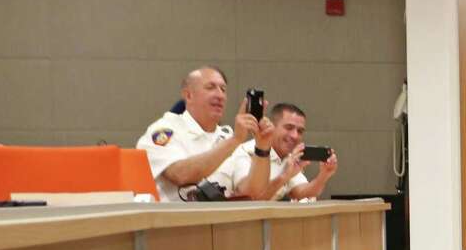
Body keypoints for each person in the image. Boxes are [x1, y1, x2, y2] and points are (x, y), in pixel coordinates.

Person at [136, 66, 263, 202]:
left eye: (223, 89)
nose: (220, 95)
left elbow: (250, 192)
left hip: (223, 215)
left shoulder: (227, 136)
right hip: (177, 215)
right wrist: (235, 140)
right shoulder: (165, 130)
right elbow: (180, 175)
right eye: (210, 87)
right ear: (188, 95)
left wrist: (263, 148)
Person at [209, 103, 338, 201]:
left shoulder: (288, 158)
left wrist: (324, 175)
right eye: (289, 128)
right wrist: (284, 176)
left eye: (300, 131)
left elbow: (302, 192)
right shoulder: (246, 152)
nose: (294, 135)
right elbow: (249, 200)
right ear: (273, 126)